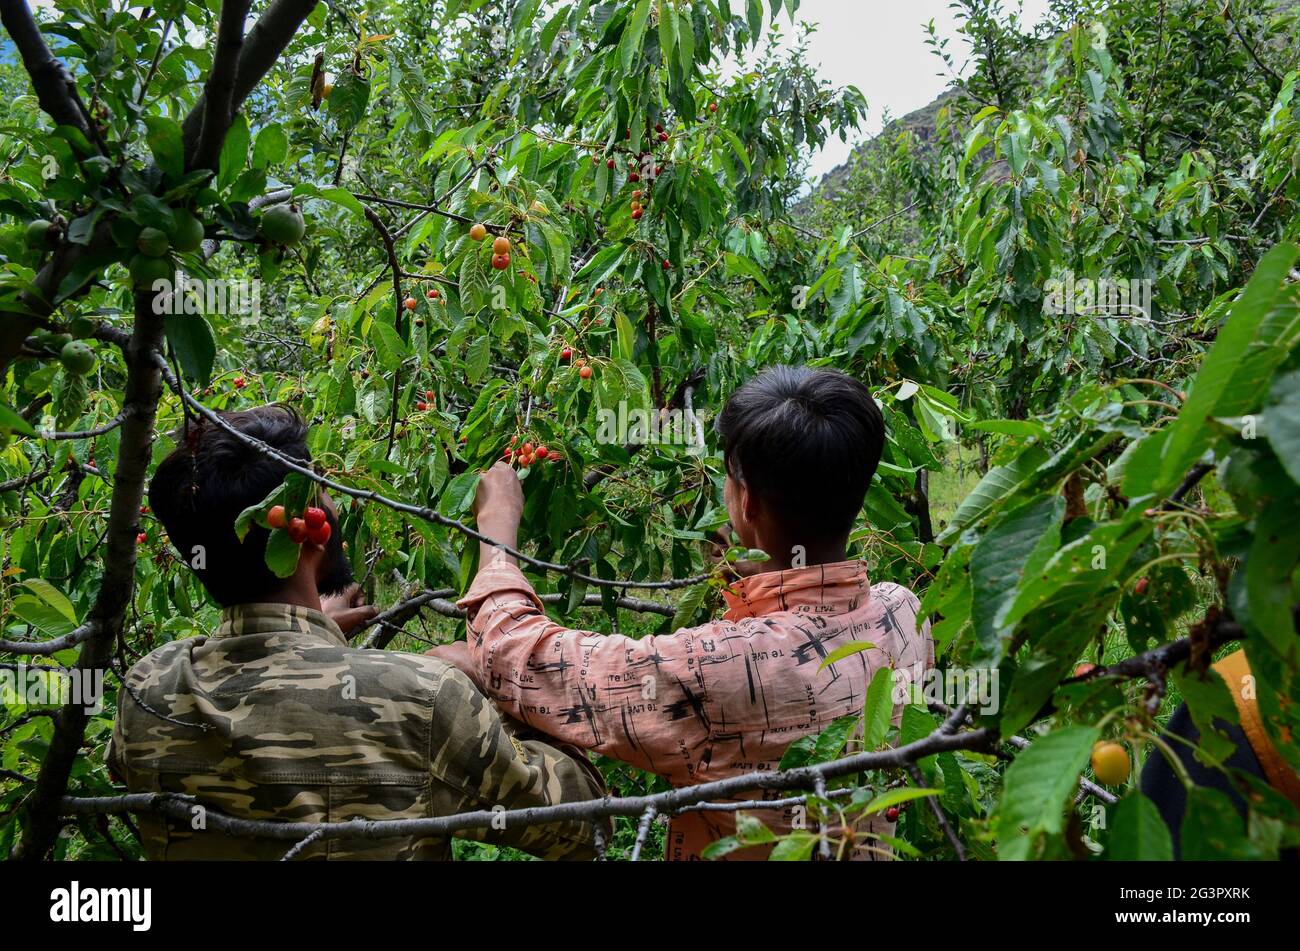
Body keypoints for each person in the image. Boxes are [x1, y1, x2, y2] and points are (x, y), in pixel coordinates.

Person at [436, 366, 934, 860]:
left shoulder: (713, 670)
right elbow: (800, 649)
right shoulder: (905, 610)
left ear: (748, 501)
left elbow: (516, 656)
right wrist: (752, 578)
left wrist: (497, 530)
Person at [108, 405, 611, 860]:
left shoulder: (147, 689)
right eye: (321, 487)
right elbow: (585, 826)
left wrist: (324, 636)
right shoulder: (424, 699)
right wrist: (488, 677)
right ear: (307, 525)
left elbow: (269, 715)